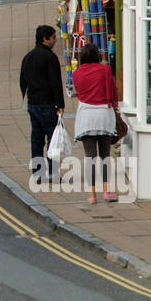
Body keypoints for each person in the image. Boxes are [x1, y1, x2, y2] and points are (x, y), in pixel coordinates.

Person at [72, 43, 119, 203]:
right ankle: (107, 191)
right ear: (97, 56)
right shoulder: (105, 70)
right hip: (104, 115)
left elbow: (78, 93)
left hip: (86, 116)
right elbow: (113, 91)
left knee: (89, 157)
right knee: (105, 155)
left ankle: (92, 194)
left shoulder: (76, 73)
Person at [19, 24, 65, 183]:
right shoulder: (50, 58)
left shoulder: (27, 57)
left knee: (36, 140)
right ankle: (52, 173)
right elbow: (56, 83)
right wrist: (60, 104)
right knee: (53, 140)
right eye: (53, 37)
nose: (55, 40)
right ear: (45, 39)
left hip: (33, 103)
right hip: (48, 104)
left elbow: (22, 80)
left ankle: (38, 173)